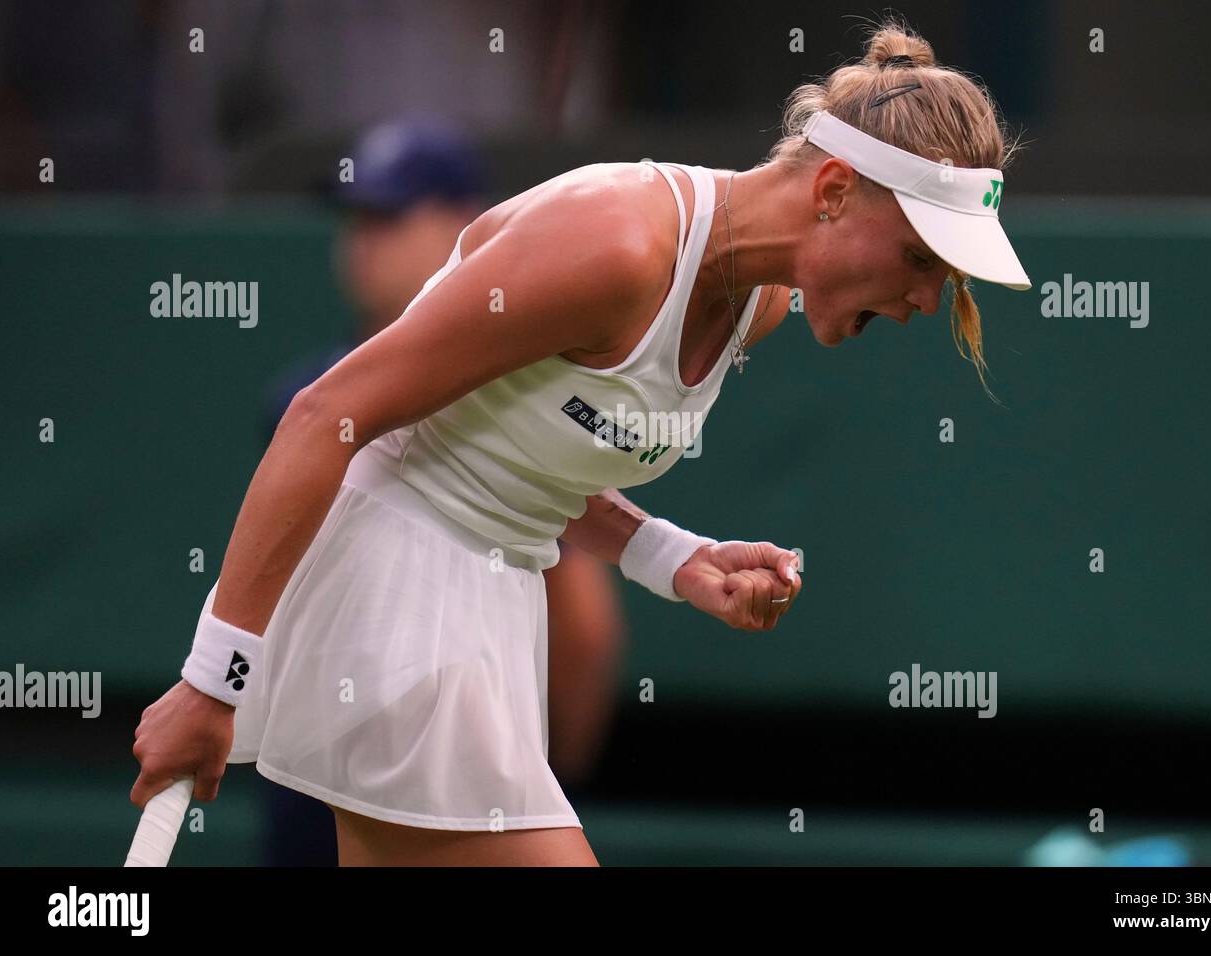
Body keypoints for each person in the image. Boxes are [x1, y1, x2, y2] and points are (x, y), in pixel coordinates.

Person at [131, 20, 1031, 866]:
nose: (924, 301)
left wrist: (676, 559)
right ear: (834, 191)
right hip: (390, 591)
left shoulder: (759, 304)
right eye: (921, 260)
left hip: (486, 609)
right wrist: (213, 679)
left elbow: (530, 460)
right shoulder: (616, 243)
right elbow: (328, 412)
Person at [256, 118, 628, 864]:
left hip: (457, 777)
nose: (364, 242)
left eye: (390, 218)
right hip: (309, 776)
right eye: (355, 220)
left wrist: (537, 784)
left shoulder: (514, 390)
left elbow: (584, 625)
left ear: (468, 223)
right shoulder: (306, 398)